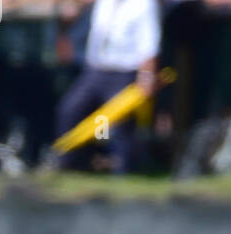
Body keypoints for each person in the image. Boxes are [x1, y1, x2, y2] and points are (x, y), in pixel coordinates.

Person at [53, 0, 161, 174]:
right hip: (95, 71)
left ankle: (125, 170)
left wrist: (146, 77)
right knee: (70, 110)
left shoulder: (144, 4)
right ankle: (69, 166)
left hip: (125, 73)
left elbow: (149, 45)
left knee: (121, 125)